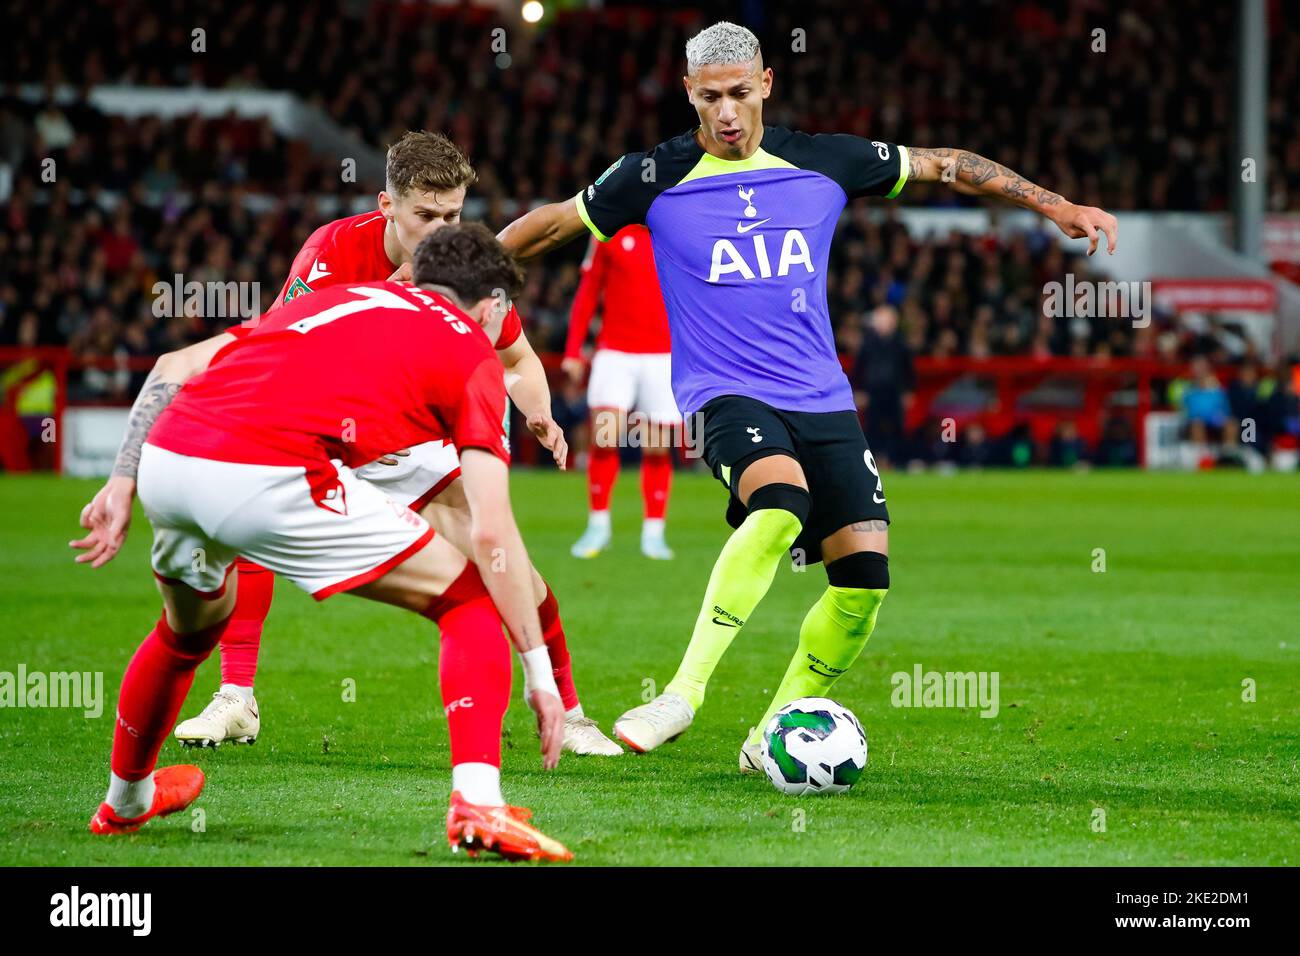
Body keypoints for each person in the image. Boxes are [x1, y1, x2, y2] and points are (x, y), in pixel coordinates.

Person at [498, 21, 1117, 767]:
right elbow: (552, 227)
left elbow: (947, 165)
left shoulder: (824, 160)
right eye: (710, 98)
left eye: (738, 93)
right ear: (689, 94)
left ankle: (770, 733)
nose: (727, 113)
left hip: (823, 398)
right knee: (779, 505)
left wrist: (1056, 206)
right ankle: (682, 696)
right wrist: (450, 274)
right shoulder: (653, 175)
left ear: (765, 83)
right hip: (723, 393)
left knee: (864, 583)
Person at [71, 225, 573, 861]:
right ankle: (478, 803)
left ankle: (125, 801)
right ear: (490, 305)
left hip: (170, 456)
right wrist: (538, 674)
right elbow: (493, 531)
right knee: (469, 598)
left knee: (187, 632)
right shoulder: (470, 348)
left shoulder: (337, 296)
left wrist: (122, 481)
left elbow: (174, 366)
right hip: (269, 470)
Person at [167, 131, 620, 757]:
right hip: (333, 429)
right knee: (246, 525)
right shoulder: (331, 254)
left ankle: (567, 711)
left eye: (454, 214)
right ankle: (236, 698)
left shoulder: (466, 266)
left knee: (503, 562)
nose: (441, 229)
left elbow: (517, 359)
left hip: (415, 433)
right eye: (425, 215)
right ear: (386, 206)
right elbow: (281, 342)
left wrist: (539, 413)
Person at [563, 225, 679, 560]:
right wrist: (573, 351)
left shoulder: (676, 226)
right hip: (614, 352)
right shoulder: (607, 230)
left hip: (663, 354)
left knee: (657, 448)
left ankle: (653, 533)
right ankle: (598, 525)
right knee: (604, 437)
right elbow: (588, 291)